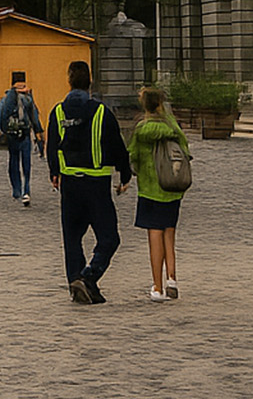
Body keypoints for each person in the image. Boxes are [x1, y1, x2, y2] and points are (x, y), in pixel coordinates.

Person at [49, 59, 133, 304]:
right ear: (90, 82)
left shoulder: (58, 112)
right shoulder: (101, 112)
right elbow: (117, 146)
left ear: (69, 80)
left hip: (70, 186)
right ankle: (88, 277)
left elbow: (53, 145)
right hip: (96, 185)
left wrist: (54, 173)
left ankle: (76, 281)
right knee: (109, 238)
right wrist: (124, 174)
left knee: (72, 239)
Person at [123, 86, 189, 302]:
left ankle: (157, 287)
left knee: (154, 235)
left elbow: (132, 158)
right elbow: (185, 150)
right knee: (169, 233)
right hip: (172, 188)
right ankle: (172, 278)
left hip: (150, 189)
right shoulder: (172, 126)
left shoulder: (141, 130)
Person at [0, 71, 45, 206]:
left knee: (13, 162)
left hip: (12, 135)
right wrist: (39, 131)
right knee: (26, 163)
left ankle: (16, 190)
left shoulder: (5, 99)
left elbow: (0, 117)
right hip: (25, 134)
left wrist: (3, 131)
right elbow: (34, 115)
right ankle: (26, 190)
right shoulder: (27, 98)